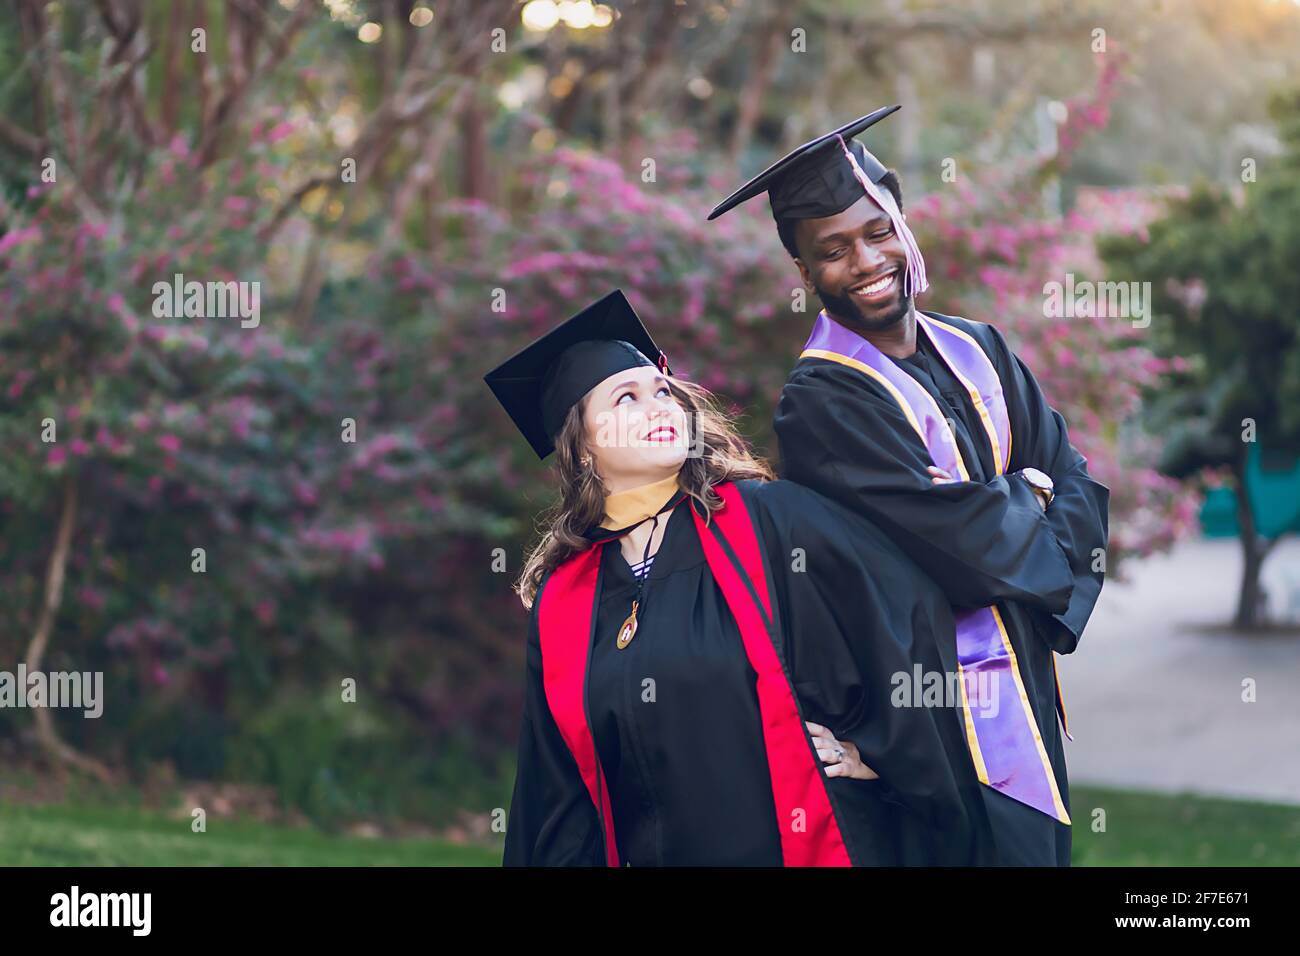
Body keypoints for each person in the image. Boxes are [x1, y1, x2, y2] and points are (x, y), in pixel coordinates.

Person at [708, 105, 1110, 866]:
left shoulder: (979, 347)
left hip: (1024, 685)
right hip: (932, 723)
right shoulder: (825, 400)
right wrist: (1030, 493)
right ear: (804, 273)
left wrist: (1020, 498)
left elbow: (1079, 480)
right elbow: (957, 552)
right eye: (832, 250)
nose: (865, 260)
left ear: (901, 224)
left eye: (876, 231)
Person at [486, 289, 991, 866]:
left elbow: (903, 609)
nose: (659, 408)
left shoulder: (768, 521)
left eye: (663, 391)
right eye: (626, 398)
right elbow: (555, 791)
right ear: (582, 449)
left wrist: (879, 751)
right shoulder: (566, 599)